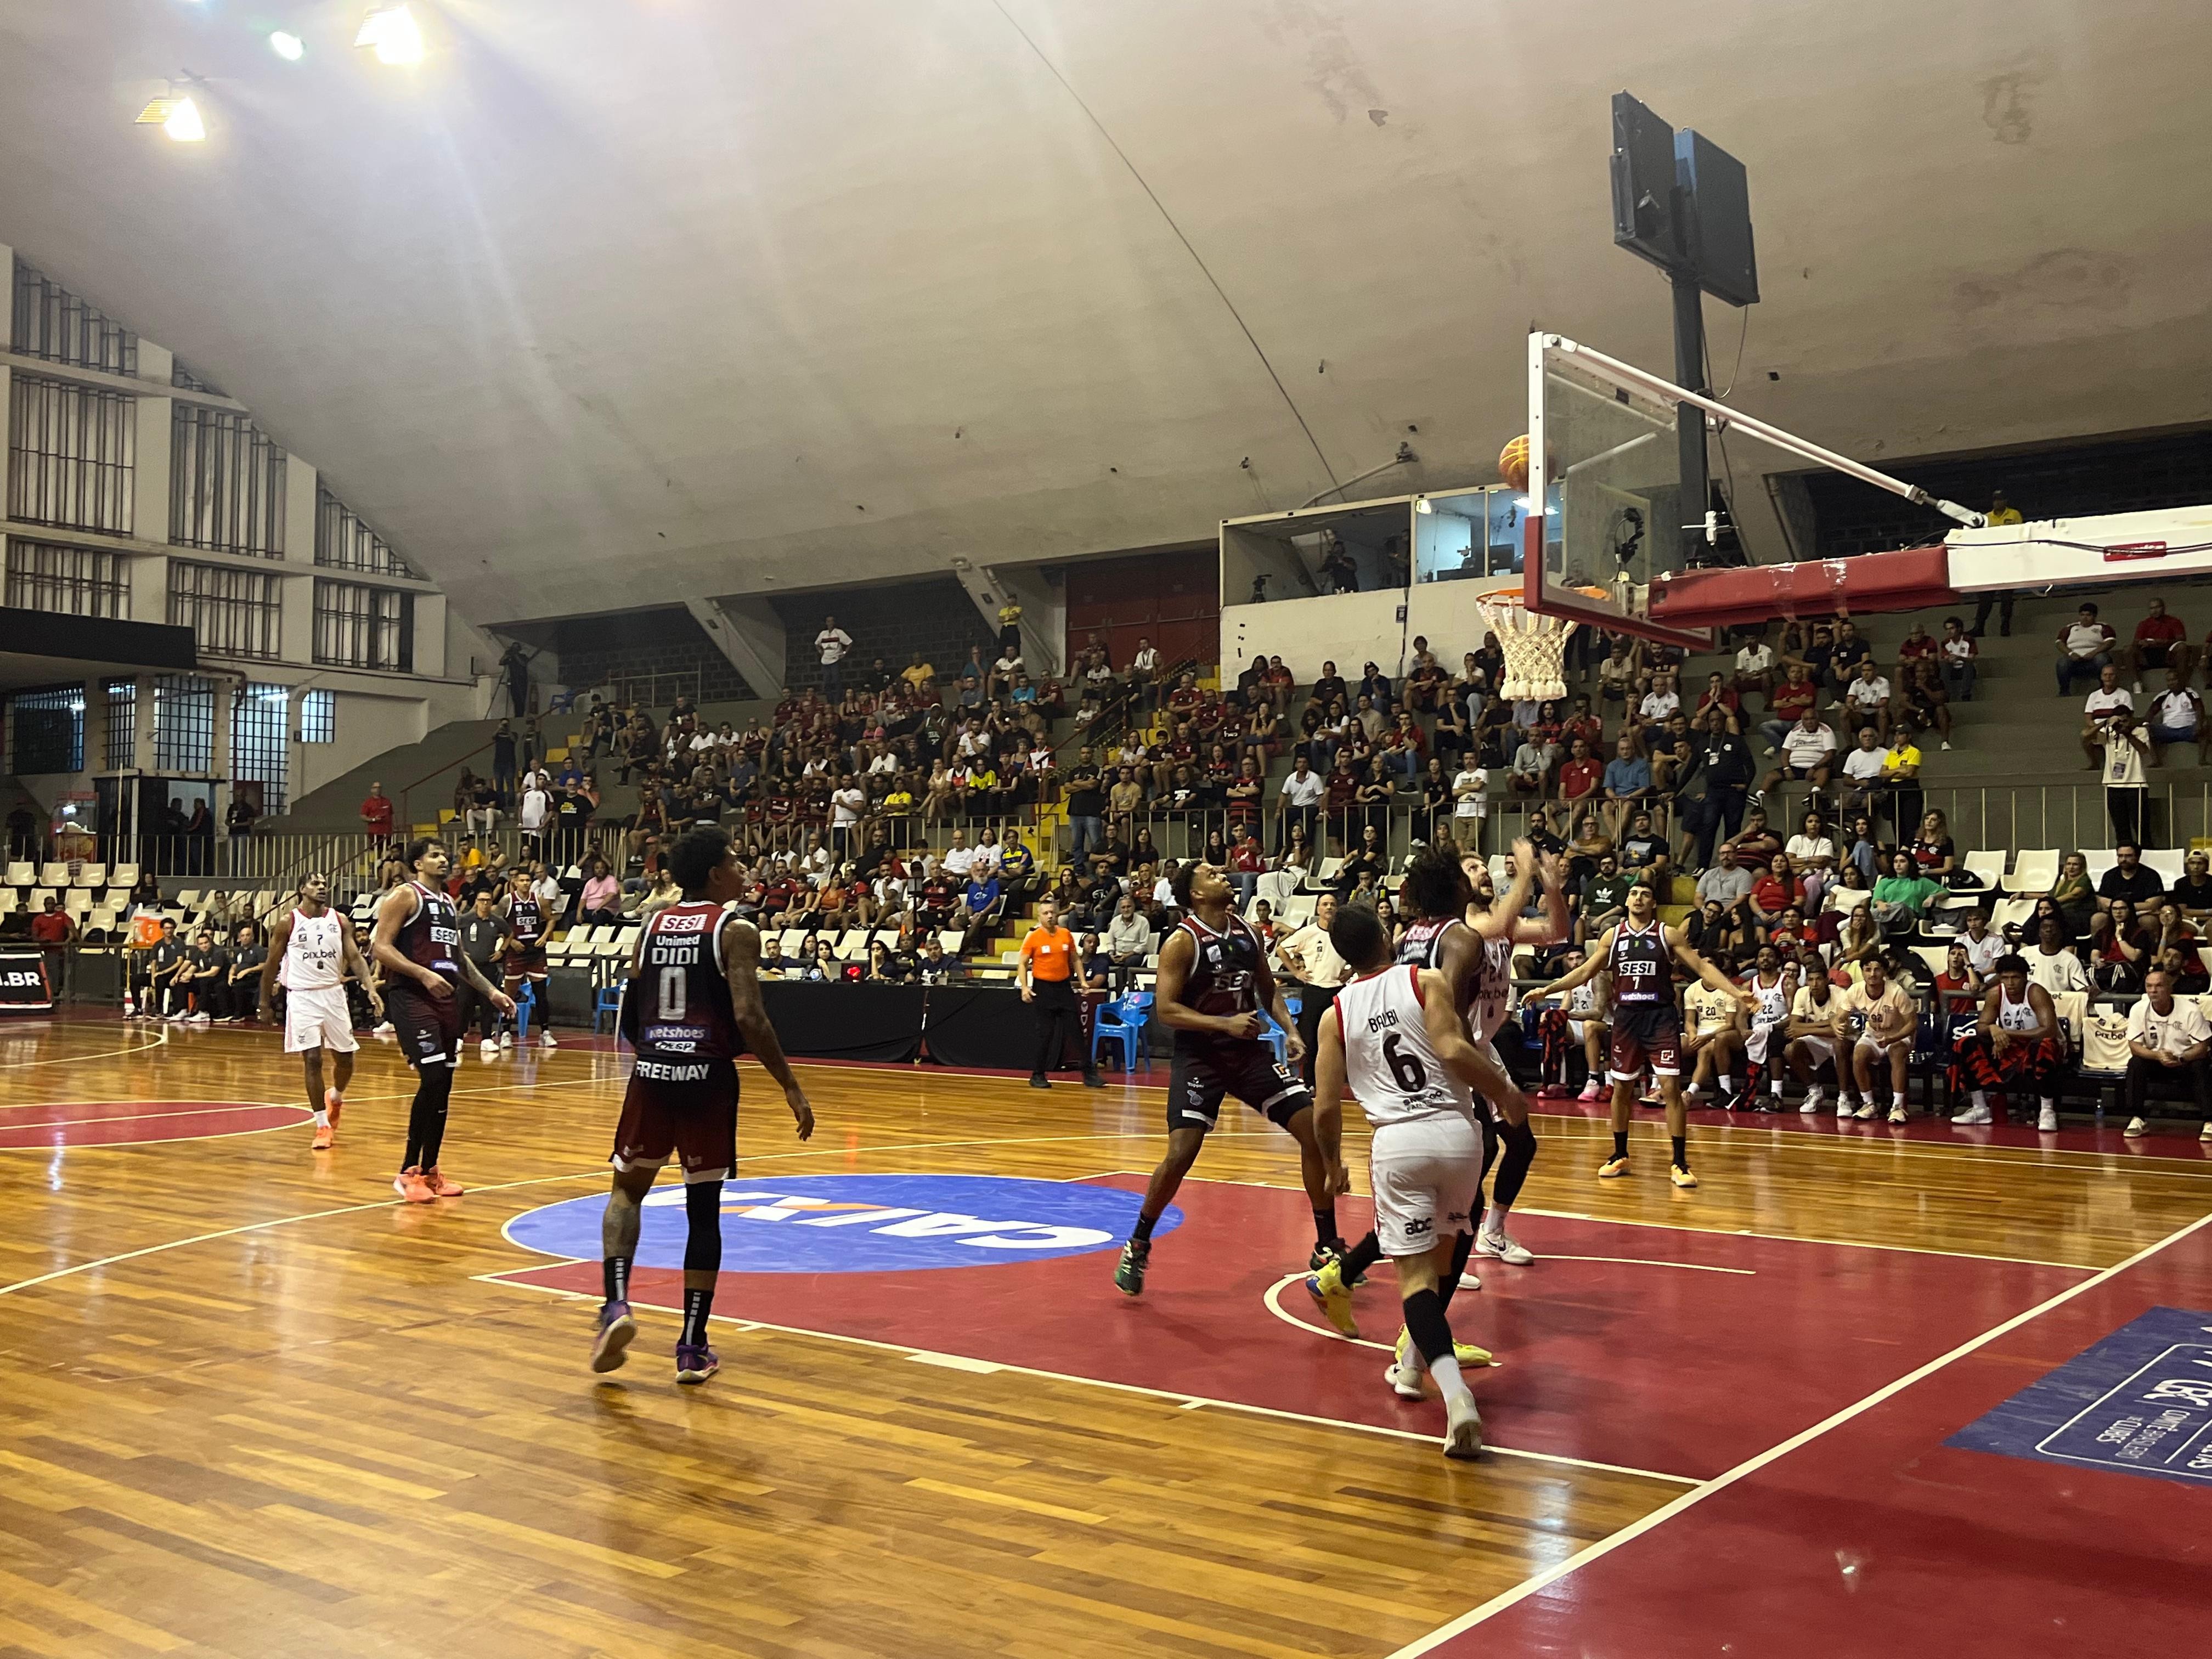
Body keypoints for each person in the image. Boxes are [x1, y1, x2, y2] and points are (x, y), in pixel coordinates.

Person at [591, 826, 816, 1385]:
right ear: (716, 873)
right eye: (736, 862)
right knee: (703, 1211)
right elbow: (749, 1015)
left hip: (652, 1072)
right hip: (707, 1075)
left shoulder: (653, 924)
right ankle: (691, 1346)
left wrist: (649, 1052)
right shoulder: (734, 929)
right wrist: (789, 1083)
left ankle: (616, 1304)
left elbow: (634, 1002)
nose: (744, 869)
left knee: (628, 1190)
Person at [1309, 903, 1499, 1458]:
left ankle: (1457, 1398)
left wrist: (1333, 1162)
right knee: (1439, 1274)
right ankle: (1412, 1370)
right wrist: (1508, 1094)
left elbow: (1324, 1109)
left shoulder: (1336, 1013)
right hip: (1460, 1137)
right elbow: (1454, 1049)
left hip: (1397, 1142)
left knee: (1416, 1283)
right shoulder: (1427, 980)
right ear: (1388, 936)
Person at [1113, 861, 1337, 1296]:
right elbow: (1166, 1010)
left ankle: (1327, 1245)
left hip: (1247, 1053)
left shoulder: (1249, 933)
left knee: (1312, 1131)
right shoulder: (1182, 942)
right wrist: (1224, 1024)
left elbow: (1267, 989)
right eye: (1211, 875)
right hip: (1201, 1056)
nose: (1223, 877)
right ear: (1195, 894)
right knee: (1182, 1153)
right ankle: (1139, 1242)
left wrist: (1289, 1031)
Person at [1526, 881, 1756, 1188]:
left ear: (1653, 903)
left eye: (1645, 894)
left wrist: (1738, 993)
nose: (1638, 898)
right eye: (1633, 893)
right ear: (1628, 901)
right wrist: (1548, 989)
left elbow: (1701, 967)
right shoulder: (1613, 935)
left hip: (1659, 1018)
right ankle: (1620, 1154)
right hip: (1626, 1019)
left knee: (1671, 1088)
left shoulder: (1667, 934)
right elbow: (1584, 972)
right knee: (1622, 1090)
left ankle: (1679, 1162)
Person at [370, 838, 516, 1203]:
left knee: (444, 1084)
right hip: (413, 996)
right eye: (434, 854)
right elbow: (380, 948)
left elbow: (460, 958)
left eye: (444, 855)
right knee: (432, 1076)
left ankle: (431, 1170)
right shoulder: (406, 895)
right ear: (418, 864)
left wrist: (491, 993)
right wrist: (422, 974)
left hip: (446, 999)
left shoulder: (450, 902)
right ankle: (407, 1171)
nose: (444, 859)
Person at [259, 874, 382, 1152]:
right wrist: (265, 1003)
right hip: (302, 997)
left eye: (324, 883)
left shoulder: (340, 921)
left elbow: (354, 957)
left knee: (345, 1060)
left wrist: (370, 987)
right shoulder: (287, 922)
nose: (322, 887)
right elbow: (271, 965)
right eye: (315, 884)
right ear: (301, 890)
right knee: (312, 1059)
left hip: (333, 994)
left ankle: (336, 1098)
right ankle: (322, 1124)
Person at [1948, 954, 2067, 1131]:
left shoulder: (2036, 992)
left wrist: (2006, 1033)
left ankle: (2047, 1111)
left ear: (2025, 977)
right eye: (2005, 978)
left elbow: (2048, 1031)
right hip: (2010, 1047)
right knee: (1966, 1043)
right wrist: (1993, 1029)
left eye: (2015, 978)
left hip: (2045, 1046)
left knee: (2042, 1046)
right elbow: (1981, 1026)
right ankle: (1980, 1108)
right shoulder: (1996, 994)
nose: (2010, 983)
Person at [1018, 896, 1103, 1089]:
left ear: (1057, 915)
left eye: (1052, 913)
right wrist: (1025, 986)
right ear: (1039, 916)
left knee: (1076, 1032)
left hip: (1064, 988)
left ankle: (1089, 1074)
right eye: (1046, 913)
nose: (1050, 916)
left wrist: (1082, 982)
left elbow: (1076, 959)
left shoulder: (1065, 934)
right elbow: (1022, 963)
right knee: (1045, 1034)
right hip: (1043, 989)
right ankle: (1038, 1075)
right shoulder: (1033, 937)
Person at [2122, 967, 2212, 1141]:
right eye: (2149, 986)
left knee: (2201, 1065)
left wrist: (2181, 1058)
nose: (2153, 991)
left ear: (2170, 988)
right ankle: (2137, 1118)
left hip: (2185, 1059)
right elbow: (2134, 1045)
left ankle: (2210, 1121)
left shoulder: (2190, 1011)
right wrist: (2157, 1056)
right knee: (2136, 1063)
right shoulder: (2138, 1010)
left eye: (2159, 986)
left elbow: (2202, 1047)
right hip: (2157, 1060)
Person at [1274, 893, 1348, 1088]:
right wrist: (1296, 972)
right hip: (1315, 990)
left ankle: (1339, 1081)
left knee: (1341, 1037)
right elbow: (1281, 950)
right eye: (1325, 904)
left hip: (1339, 991)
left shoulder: (1343, 933)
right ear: (1318, 909)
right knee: (1311, 1039)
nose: (1329, 908)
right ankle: (1310, 1082)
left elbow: (1360, 952)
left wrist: (1350, 972)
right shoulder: (1308, 933)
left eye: (1333, 904)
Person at [1832, 954, 1917, 1121]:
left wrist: (1893, 1039)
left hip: (1898, 1035)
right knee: (1858, 1055)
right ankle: (1869, 1105)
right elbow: (1839, 1017)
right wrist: (1836, 1025)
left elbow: (1912, 1024)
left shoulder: (1896, 992)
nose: (1873, 974)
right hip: (1874, 1034)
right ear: (1862, 972)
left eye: (1877, 969)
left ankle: (1898, 1107)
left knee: (1897, 1054)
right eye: (1868, 969)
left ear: (1884, 972)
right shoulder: (1855, 990)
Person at [496, 869, 557, 1049]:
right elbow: (497, 925)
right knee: (510, 994)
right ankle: (506, 1032)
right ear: (515, 882)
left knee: (541, 994)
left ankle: (545, 1032)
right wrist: (511, 941)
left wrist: (545, 935)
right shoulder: (507, 901)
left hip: (536, 951)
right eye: (521, 880)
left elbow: (551, 919)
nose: (525, 883)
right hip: (516, 951)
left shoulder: (539, 900)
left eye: (528, 880)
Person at [456, 888, 510, 1058]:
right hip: (468, 969)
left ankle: (487, 1038)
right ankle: (458, 1037)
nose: (485, 903)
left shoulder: (497, 921)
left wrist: (501, 951)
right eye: (482, 900)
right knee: (464, 1003)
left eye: (488, 900)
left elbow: (509, 934)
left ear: (492, 902)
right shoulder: (466, 919)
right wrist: (460, 951)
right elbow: (451, 932)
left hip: (488, 966)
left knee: (488, 1003)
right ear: (476, 901)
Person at [2097, 710, 2152, 845]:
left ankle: (2147, 854)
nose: (2122, 724)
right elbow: (2089, 737)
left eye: (2125, 721)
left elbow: (2144, 751)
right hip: (2113, 785)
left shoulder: (2140, 731)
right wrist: (2107, 723)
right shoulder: (2109, 733)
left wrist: (2127, 733)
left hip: (2136, 784)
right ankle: (2124, 856)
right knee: (2121, 828)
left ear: (2131, 719)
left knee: (2141, 826)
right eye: (2119, 721)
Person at [2127, 596, 2192, 692]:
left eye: (2157, 607)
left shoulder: (2174, 621)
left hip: (2168, 654)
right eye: (2152, 608)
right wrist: (2142, 642)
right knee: (2128, 650)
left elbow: (2182, 639)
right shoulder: (2144, 624)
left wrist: (2159, 642)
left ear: (2163, 608)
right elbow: (2135, 642)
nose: (2155, 611)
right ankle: (2137, 684)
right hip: (2148, 655)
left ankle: (2183, 683)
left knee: (2182, 647)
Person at [2054, 602, 2116, 696]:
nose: (2085, 618)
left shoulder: (2103, 627)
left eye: (2088, 615)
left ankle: (2103, 687)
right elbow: (2059, 643)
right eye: (2082, 615)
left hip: (2094, 658)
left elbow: (2110, 641)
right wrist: (2071, 654)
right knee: (2062, 662)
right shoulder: (2070, 628)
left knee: (2102, 659)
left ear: (2094, 616)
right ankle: (2064, 691)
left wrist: (2094, 653)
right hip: (2074, 659)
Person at [814, 613, 854, 699]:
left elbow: (849, 643)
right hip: (825, 660)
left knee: (836, 681)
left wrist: (844, 653)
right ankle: (830, 700)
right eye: (828, 621)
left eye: (832, 621)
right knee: (827, 682)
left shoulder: (839, 632)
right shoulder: (823, 633)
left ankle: (838, 699)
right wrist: (820, 651)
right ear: (826, 623)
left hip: (835, 660)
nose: (830, 623)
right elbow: (817, 644)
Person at [360, 782, 394, 850]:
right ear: (372, 790)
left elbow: (392, 814)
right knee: (376, 850)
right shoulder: (368, 803)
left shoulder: (387, 801)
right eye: (375, 788)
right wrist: (374, 819)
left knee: (388, 850)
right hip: (375, 832)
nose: (378, 789)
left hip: (387, 832)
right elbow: (363, 816)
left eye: (379, 787)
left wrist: (395, 827)